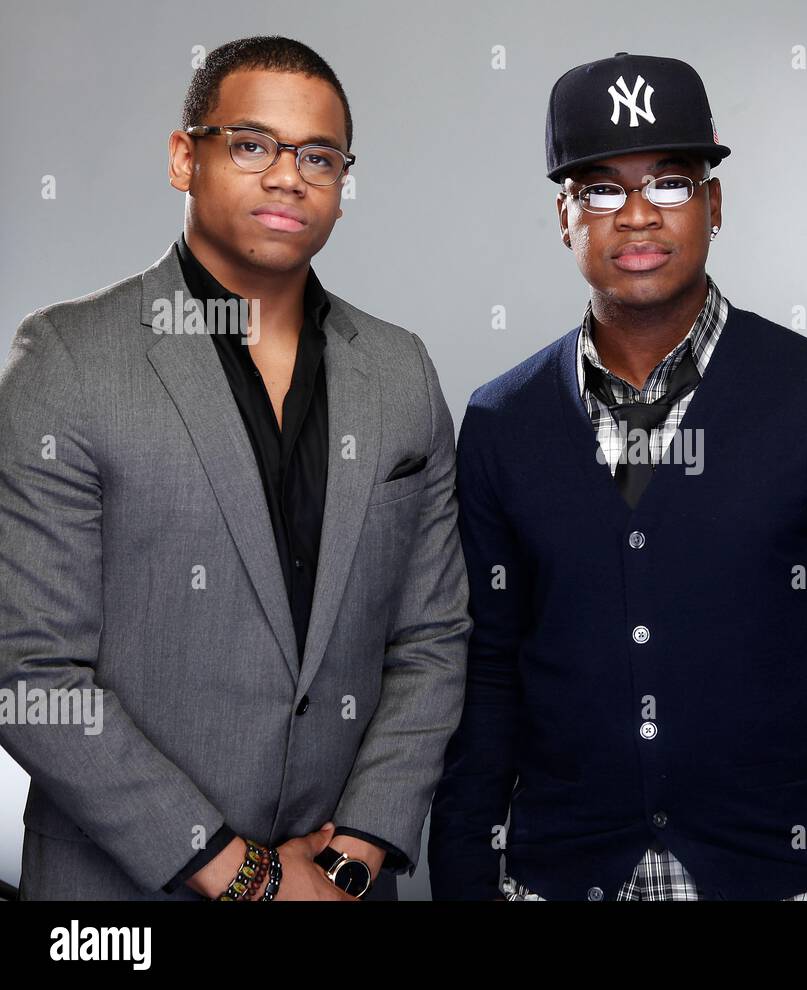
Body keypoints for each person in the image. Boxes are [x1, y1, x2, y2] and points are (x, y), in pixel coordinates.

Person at [426, 52, 807, 901]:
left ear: (713, 203)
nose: (637, 216)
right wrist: (462, 870)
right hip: (555, 878)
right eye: (600, 189)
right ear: (563, 215)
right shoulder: (500, 421)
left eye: (670, 182)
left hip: (783, 876)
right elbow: (484, 669)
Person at [0, 35, 470, 900]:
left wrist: (353, 854)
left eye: (318, 157)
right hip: (121, 901)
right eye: (252, 145)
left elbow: (431, 640)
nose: (288, 176)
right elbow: (29, 671)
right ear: (186, 157)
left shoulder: (402, 373)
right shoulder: (65, 360)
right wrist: (248, 876)